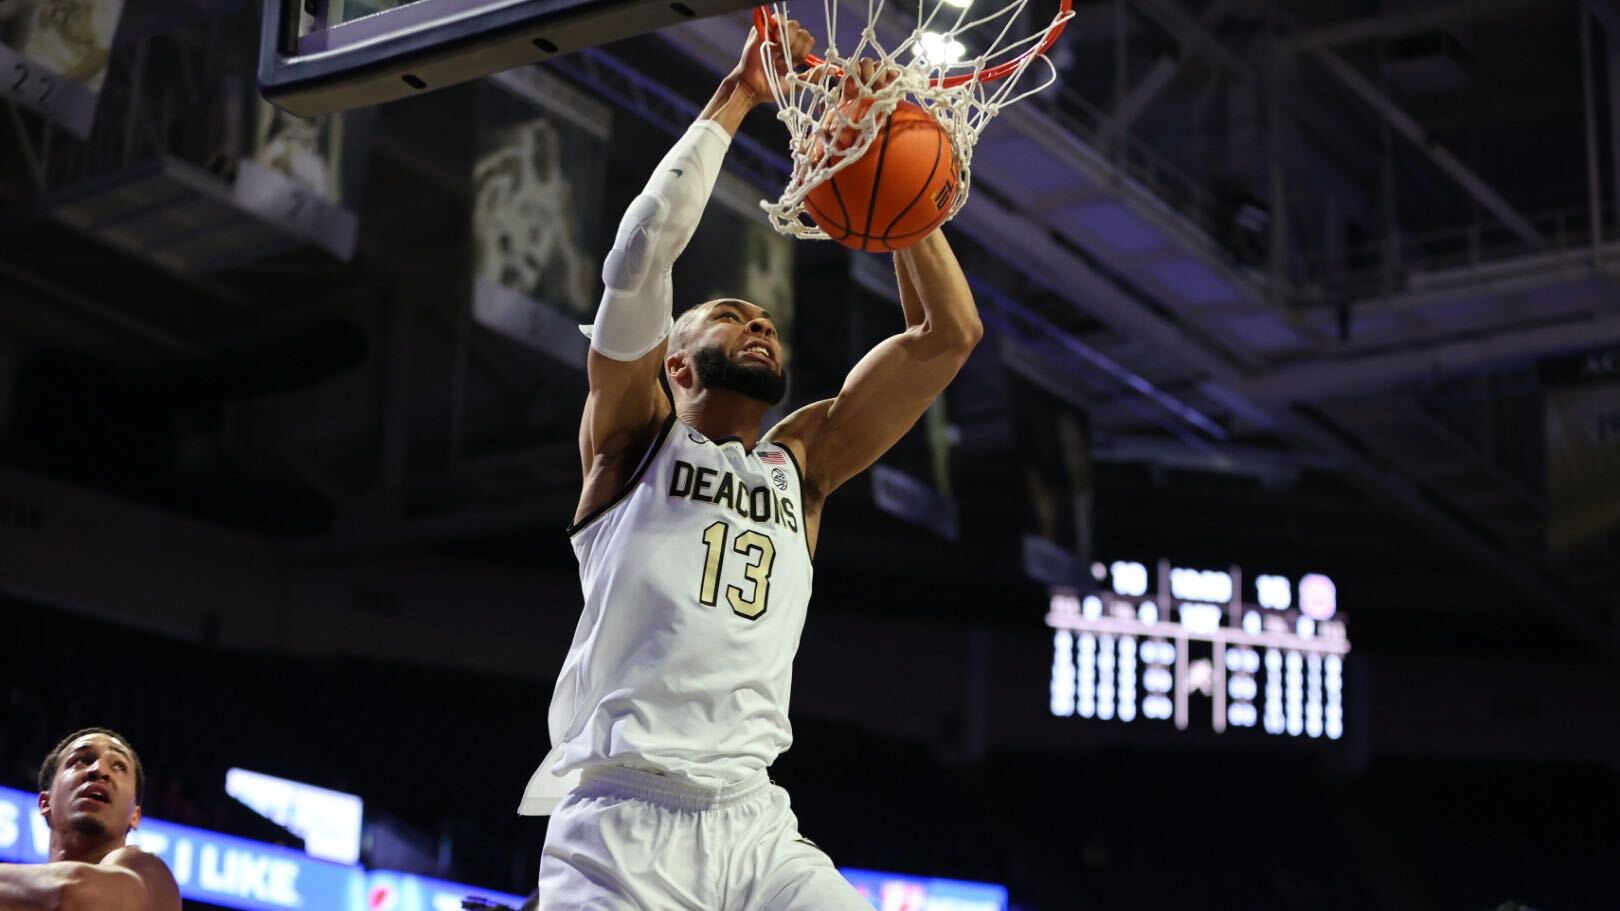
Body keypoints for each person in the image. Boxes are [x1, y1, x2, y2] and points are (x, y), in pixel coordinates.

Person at [515, 19, 982, 911]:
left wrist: (887, 174)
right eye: (729, 314)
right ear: (675, 361)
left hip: (754, 818)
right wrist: (737, 96)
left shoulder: (801, 461)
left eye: (764, 320)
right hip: (622, 819)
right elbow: (639, 254)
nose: (759, 322)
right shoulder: (633, 441)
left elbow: (947, 337)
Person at [0, 728, 181, 911]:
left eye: (119, 766)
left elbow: (69, 895)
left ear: (135, 816)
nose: (99, 770)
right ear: (46, 802)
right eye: (81, 760)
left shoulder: (148, 873)